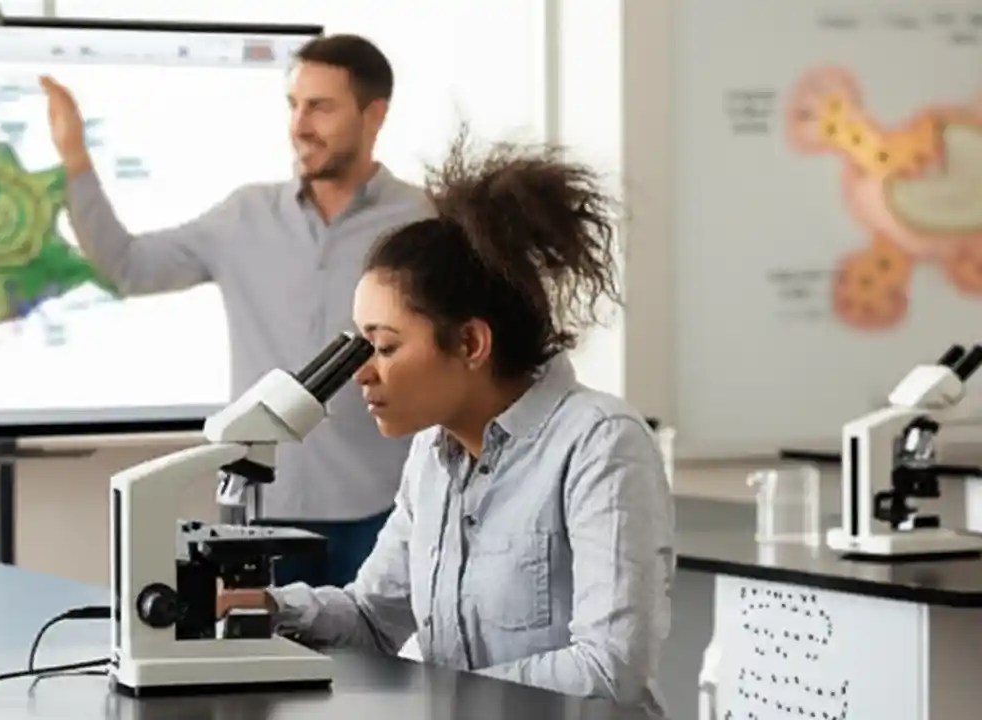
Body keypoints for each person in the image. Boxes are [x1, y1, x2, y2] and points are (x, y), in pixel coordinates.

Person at [217, 129, 676, 715]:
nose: (363, 375)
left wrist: (431, 702)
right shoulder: (435, 456)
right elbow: (371, 617)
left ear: (470, 342)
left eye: (383, 348)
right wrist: (263, 607)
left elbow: (609, 668)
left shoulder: (599, 443)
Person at [38, 35, 435, 587]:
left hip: (387, 510)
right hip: (264, 509)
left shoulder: (425, 221)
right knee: (268, 670)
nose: (299, 125)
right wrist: (75, 159)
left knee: (380, 674)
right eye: (293, 105)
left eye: (320, 107)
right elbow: (126, 267)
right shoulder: (243, 216)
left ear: (375, 115)